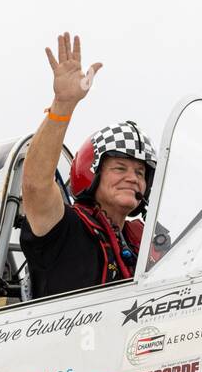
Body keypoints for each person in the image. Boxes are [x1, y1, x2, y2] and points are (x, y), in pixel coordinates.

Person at [20, 32, 158, 298]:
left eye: (140, 172)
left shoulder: (148, 241)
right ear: (91, 171)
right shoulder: (65, 228)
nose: (133, 178)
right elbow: (35, 185)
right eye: (120, 168)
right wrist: (63, 105)